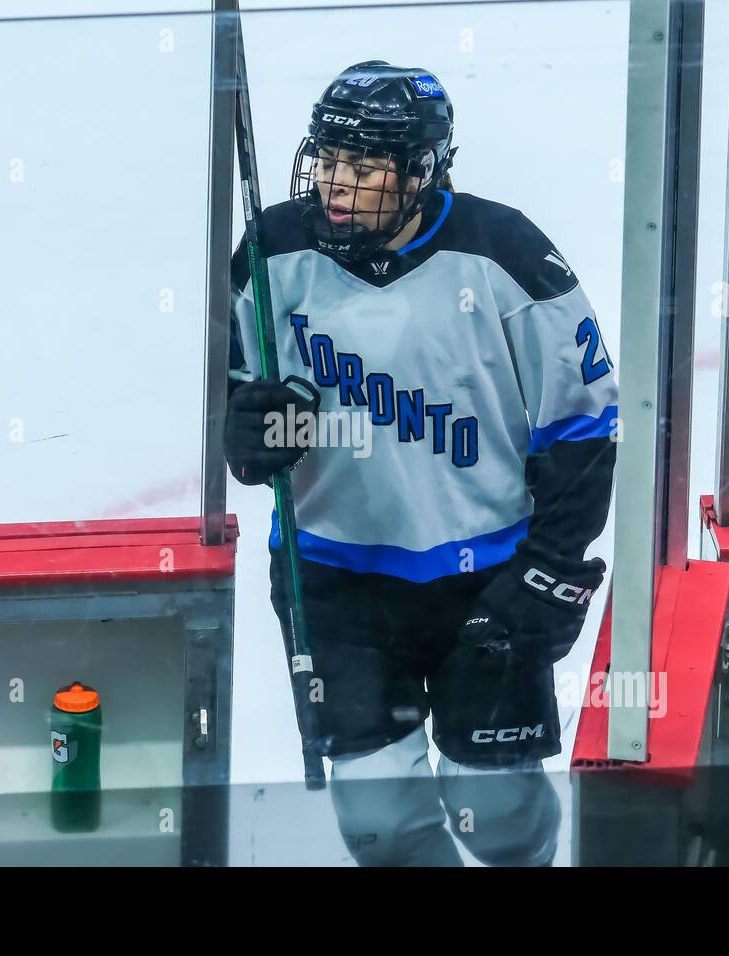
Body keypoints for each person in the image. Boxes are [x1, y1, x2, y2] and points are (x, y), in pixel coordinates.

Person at [224, 61, 618, 866]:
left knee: (500, 812)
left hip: (487, 580)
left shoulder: (507, 255)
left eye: (362, 167)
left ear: (419, 171)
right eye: (328, 159)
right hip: (334, 580)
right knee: (382, 827)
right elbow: (233, 391)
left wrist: (546, 568)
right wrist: (245, 433)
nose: (336, 184)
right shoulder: (272, 250)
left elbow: (582, 430)